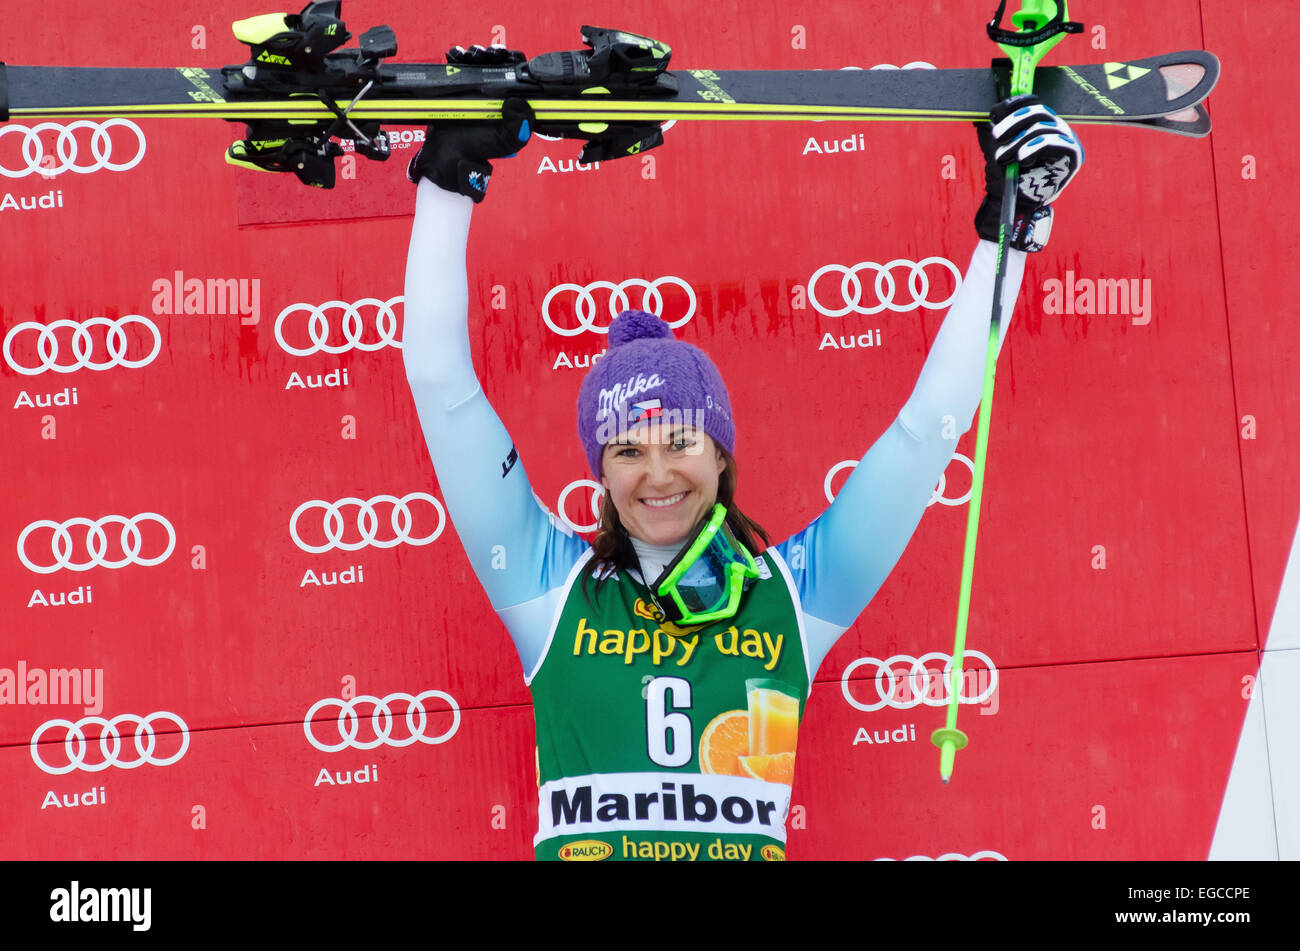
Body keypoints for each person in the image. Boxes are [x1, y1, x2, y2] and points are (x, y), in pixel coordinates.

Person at [401, 83, 1082, 861]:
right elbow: (438, 384)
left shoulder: (793, 595)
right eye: (627, 450)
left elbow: (927, 429)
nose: (656, 473)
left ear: (720, 454)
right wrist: (446, 182)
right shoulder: (548, 588)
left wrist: (1010, 233)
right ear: (601, 471)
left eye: (680, 441)